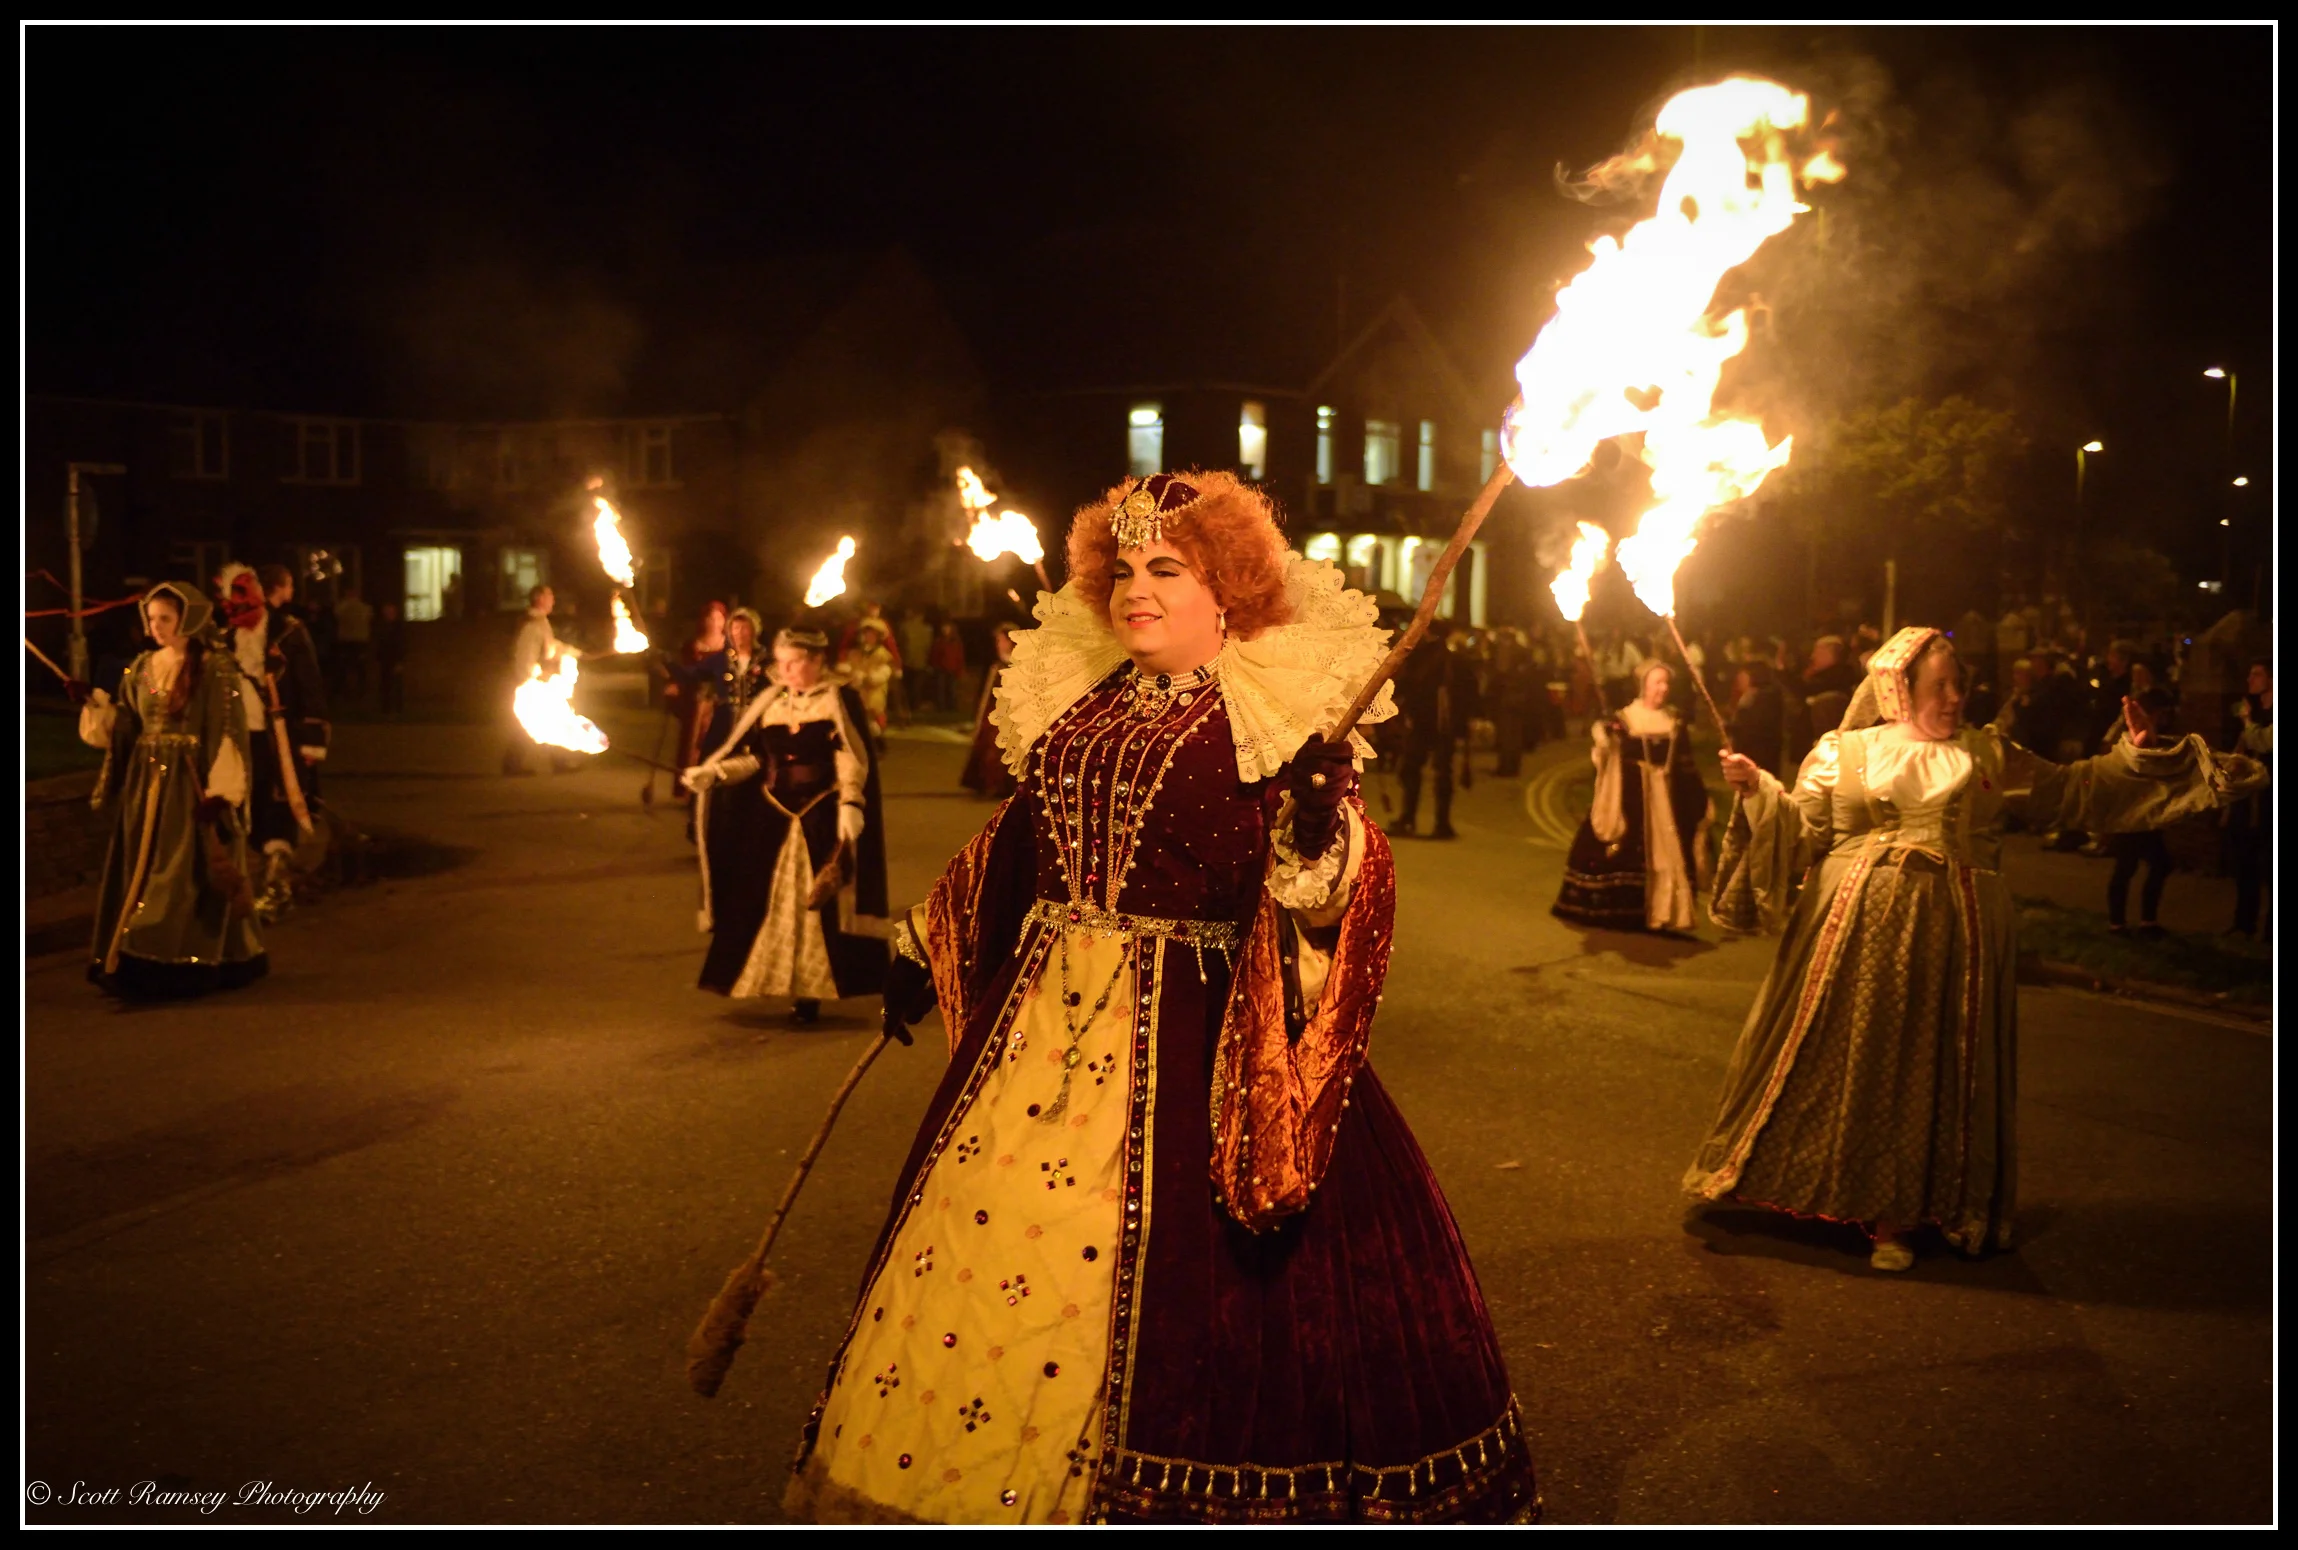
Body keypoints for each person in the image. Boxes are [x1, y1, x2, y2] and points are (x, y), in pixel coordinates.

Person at [787, 471, 1536, 1525]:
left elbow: (1329, 891)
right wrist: (926, 935)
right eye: (1126, 568)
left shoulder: (1272, 721)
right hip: (1035, 1038)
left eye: (1167, 569)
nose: (1138, 589)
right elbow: (1018, 842)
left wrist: (1315, 828)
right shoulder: (1084, 703)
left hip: (1197, 1051)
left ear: (1226, 588)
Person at [1687, 627, 2266, 1273]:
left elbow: (2072, 792)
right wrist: (1758, 790)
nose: (1957, 697)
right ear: (1898, 691)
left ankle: (1896, 1219)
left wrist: (2133, 757)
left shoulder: (1987, 754)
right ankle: (1816, 1184)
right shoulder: (1842, 753)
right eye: (1941, 686)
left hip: (1954, 942)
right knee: (1844, 1064)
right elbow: (1801, 837)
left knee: (1924, 1073)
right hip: (1846, 943)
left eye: (1961, 684)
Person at [681, 626, 888, 1023]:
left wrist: (851, 803)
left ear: (815, 662)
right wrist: (716, 774)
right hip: (771, 817)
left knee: (818, 906)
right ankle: (768, 980)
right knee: (763, 904)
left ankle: (811, 993)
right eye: (782, 662)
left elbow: (851, 758)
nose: (786, 670)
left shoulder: (838, 700)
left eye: (794, 662)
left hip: (821, 815)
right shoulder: (769, 702)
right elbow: (756, 759)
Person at [75, 582, 267, 997]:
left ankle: (160, 958)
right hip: (146, 790)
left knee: (180, 874)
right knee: (148, 870)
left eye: (165, 618)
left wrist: (222, 791)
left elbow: (227, 730)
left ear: (187, 619)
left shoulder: (215, 668)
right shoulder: (142, 666)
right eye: (151, 618)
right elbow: (127, 727)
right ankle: (142, 954)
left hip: (188, 787)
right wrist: (95, 706)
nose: (156, 626)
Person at [1552, 659, 1711, 933]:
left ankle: (1662, 912)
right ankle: (1626, 911)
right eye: (1656, 683)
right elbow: (1608, 757)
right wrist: (1606, 740)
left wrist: (1698, 799)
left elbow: (1686, 763)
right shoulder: (1624, 720)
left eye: (1666, 683)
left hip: (1667, 798)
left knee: (1667, 855)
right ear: (1643, 686)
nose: (1662, 689)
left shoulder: (1673, 720)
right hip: (1632, 797)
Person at [218, 563, 329, 919]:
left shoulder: (290, 633)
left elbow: (311, 688)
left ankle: (277, 885)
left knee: (282, 803)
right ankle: (258, 882)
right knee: (247, 805)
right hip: (239, 739)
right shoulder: (224, 641)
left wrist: (311, 744)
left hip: (281, 737)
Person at [2103, 687, 2179, 936]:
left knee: (2153, 864)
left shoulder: (2143, 733)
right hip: (2132, 814)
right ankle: (2121, 923)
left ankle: (2142, 922)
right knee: (2128, 867)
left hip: (2142, 813)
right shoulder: (2138, 735)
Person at [1393, 618, 1478, 838]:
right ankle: (1437, 822)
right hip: (1439, 725)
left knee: (1421, 771)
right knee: (1436, 773)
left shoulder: (1427, 658)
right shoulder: (1452, 660)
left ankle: (1415, 819)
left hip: (1431, 723)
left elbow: (1406, 685)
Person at [2225, 658, 2272, 938]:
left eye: (2257, 674)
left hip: (2270, 799)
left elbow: (2262, 741)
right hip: (2248, 799)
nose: (2250, 680)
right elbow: (2240, 750)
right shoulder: (2249, 710)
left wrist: (2246, 721)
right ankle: (2243, 922)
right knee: (2244, 863)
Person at [502, 584, 564, 777]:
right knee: (534, 721)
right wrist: (529, 681)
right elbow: (524, 655)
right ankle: (512, 764)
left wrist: (579, 653)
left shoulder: (541, 622)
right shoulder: (532, 623)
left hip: (538, 680)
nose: (553, 598)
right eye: (549, 594)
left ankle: (557, 761)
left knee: (548, 719)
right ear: (539, 598)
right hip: (530, 681)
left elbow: (552, 648)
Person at [666, 600, 729, 786]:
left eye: (718, 618)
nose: (714, 622)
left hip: (719, 701)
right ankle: (687, 785)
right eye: (710, 618)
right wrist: (675, 684)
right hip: (695, 700)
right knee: (691, 741)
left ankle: (711, 782)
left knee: (714, 742)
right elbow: (685, 670)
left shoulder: (729, 646)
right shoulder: (692, 644)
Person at [959, 620, 1018, 800]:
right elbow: (986, 694)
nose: (998, 645)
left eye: (1001, 640)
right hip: (995, 712)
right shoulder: (997, 666)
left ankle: (1005, 785)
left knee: (1006, 748)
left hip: (1013, 712)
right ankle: (988, 783)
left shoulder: (1019, 665)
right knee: (989, 747)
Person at [844, 619, 902, 749]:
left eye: (871, 634)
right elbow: (849, 667)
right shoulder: (855, 653)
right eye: (865, 634)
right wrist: (845, 672)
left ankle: (878, 744)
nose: (867, 637)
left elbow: (884, 673)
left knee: (872, 721)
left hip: (874, 694)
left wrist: (867, 678)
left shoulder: (883, 654)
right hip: (857, 693)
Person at [333, 585, 373, 703]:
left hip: (358, 641)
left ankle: (360, 694)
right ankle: (346, 694)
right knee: (346, 669)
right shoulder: (343, 607)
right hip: (348, 641)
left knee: (359, 669)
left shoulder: (363, 608)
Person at [374, 600, 407, 715]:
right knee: (385, 685)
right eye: (386, 612)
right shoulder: (382, 627)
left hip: (394, 659)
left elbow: (401, 645)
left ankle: (399, 708)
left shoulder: (398, 628)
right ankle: (386, 708)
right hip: (385, 660)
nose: (388, 614)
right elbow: (379, 644)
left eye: (390, 612)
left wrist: (400, 661)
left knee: (397, 685)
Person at [929, 620, 968, 713]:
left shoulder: (956, 642)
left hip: (952, 668)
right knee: (940, 689)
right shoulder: (939, 641)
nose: (945, 630)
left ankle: (952, 707)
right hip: (941, 669)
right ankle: (941, 707)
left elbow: (959, 656)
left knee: (952, 689)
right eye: (943, 627)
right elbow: (934, 654)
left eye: (947, 627)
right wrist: (934, 665)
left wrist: (960, 669)